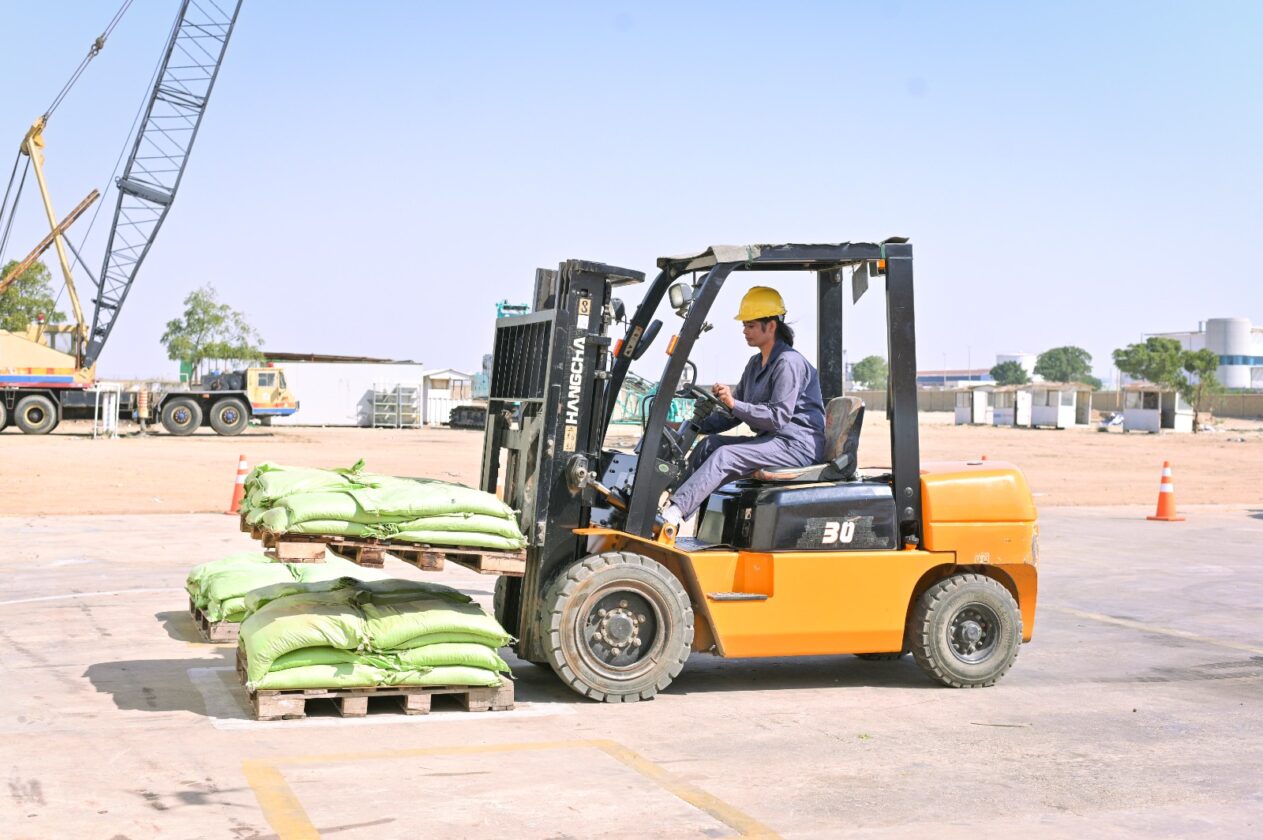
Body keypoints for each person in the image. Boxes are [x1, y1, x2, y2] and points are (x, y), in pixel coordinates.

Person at [661, 286, 826, 527]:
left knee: (725, 455)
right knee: (709, 445)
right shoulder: (755, 364)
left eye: (750, 325)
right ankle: (667, 504)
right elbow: (732, 415)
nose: (744, 331)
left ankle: (672, 516)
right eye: (744, 325)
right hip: (772, 441)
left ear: (771, 326)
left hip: (795, 446)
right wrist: (689, 425)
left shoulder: (788, 363)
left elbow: (777, 418)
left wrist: (734, 403)